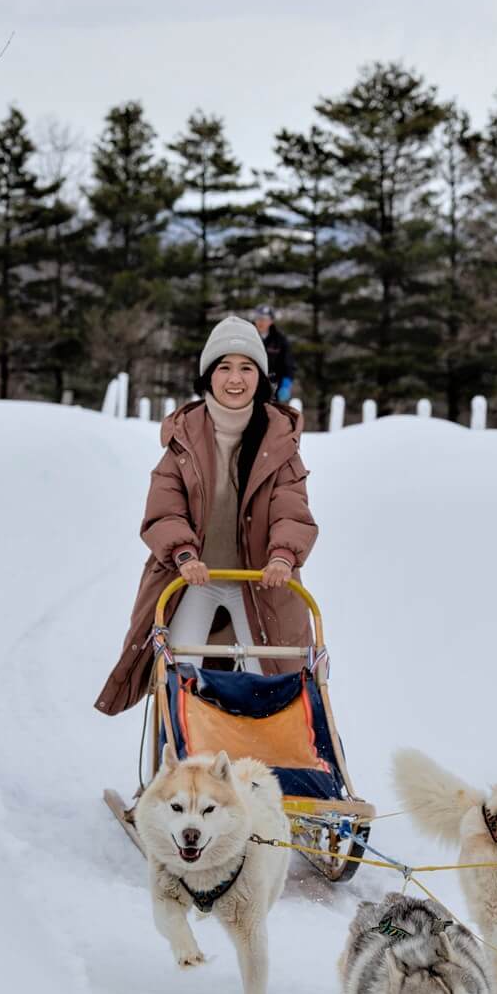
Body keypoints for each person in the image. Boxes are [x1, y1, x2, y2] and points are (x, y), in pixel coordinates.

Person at [95, 316, 319, 742]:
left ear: (261, 376)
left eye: (246, 368)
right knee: (179, 669)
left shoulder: (280, 439)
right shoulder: (184, 437)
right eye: (224, 367)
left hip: (259, 581)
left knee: (270, 675)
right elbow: (164, 510)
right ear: (208, 375)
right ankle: (177, 767)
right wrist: (183, 553)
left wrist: (282, 556)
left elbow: (291, 510)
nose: (235, 379)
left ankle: (269, 772)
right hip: (194, 577)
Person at [253, 304, 297, 404]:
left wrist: (286, 385)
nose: (261, 322)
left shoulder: (280, 340)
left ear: (271, 321)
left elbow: (288, 365)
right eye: (258, 318)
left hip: (273, 388)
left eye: (265, 319)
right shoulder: (248, 336)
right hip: (251, 385)